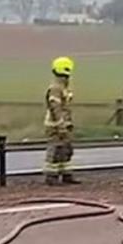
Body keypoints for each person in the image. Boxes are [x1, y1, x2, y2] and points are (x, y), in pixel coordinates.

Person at [43, 56, 80, 185]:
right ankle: (51, 176)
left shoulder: (63, 87)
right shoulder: (56, 88)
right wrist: (60, 124)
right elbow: (55, 107)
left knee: (66, 149)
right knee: (55, 150)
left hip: (65, 123)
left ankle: (66, 174)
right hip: (55, 125)